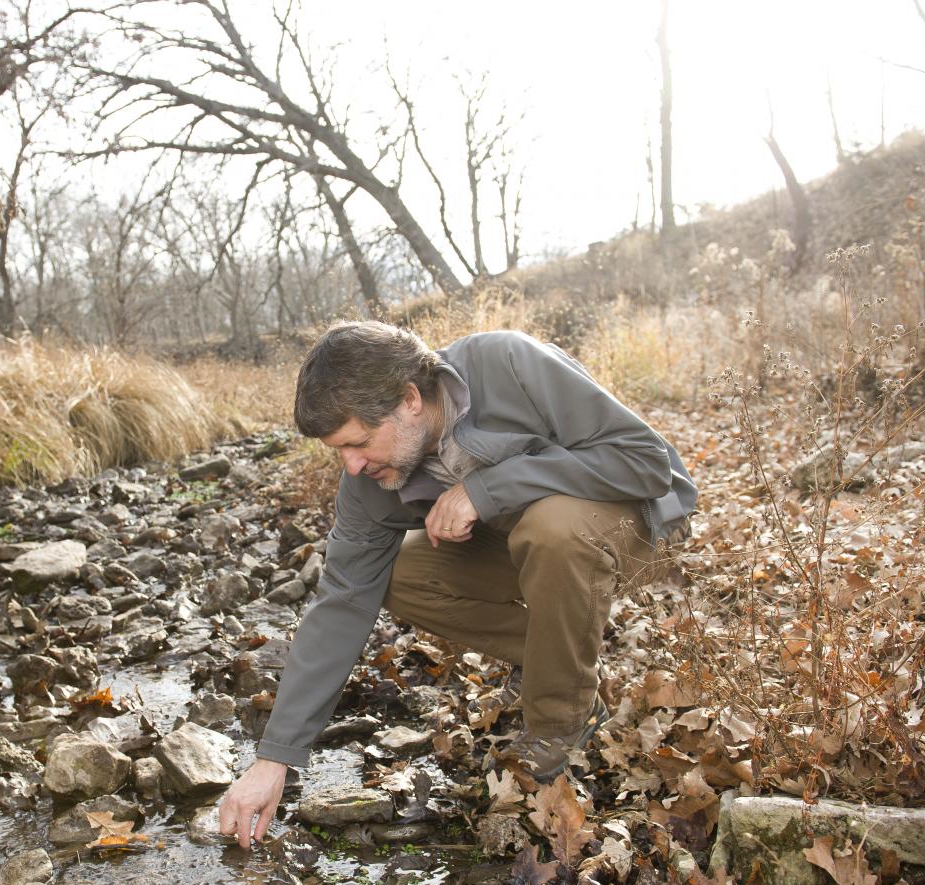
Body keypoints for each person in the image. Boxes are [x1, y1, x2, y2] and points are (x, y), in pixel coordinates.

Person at [217, 321, 696, 849]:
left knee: (553, 528)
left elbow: (645, 462)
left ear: (410, 400)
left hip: (640, 529)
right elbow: (342, 600)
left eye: (357, 443)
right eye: (339, 451)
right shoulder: (367, 482)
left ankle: (563, 720)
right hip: (531, 548)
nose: (351, 465)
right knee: (394, 573)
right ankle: (557, 660)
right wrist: (275, 758)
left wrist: (487, 488)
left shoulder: (507, 362)